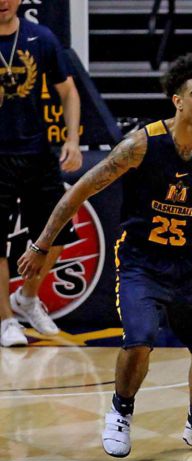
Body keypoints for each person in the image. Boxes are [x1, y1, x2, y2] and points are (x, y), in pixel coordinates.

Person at [19, 52, 192, 457]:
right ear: (178, 101)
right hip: (142, 262)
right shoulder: (140, 145)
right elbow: (78, 192)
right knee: (139, 341)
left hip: (190, 264)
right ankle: (120, 412)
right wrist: (41, 244)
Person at [0, 0, 82, 346]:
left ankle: (27, 298)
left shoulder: (41, 37)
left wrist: (73, 139)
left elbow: (69, 92)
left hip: (36, 151)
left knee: (57, 231)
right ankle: (5, 321)